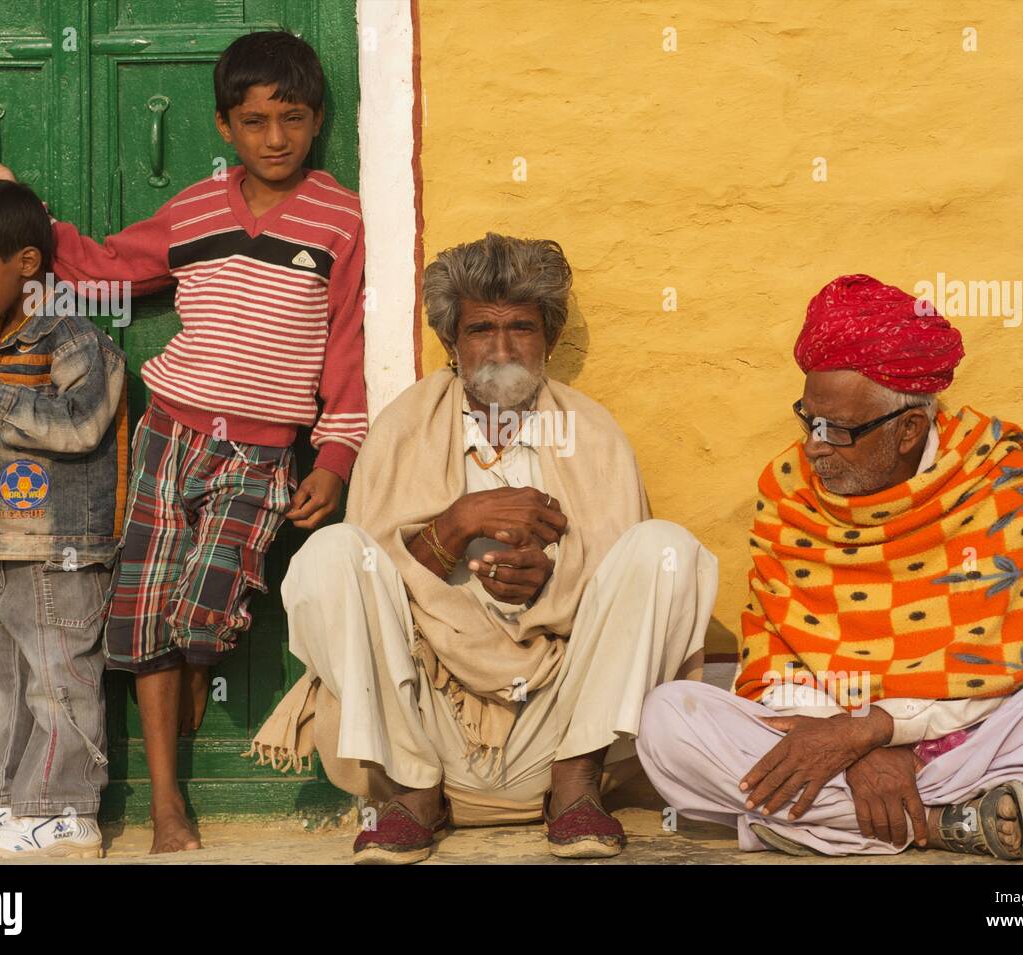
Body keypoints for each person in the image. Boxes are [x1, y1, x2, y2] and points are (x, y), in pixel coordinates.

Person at [0, 30, 368, 853]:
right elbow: (106, 264)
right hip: (168, 431)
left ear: (318, 121)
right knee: (143, 615)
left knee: (205, 616)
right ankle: (168, 808)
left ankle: (189, 666)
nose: (276, 138)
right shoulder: (196, 208)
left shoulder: (340, 219)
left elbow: (348, 341)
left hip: (259, 453)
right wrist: (19, 203)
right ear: (225, 128)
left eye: (293, 119)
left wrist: (335, 454)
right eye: (255, 121)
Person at [636, 273, 1023, 859]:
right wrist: (846, 743)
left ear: (909, 428)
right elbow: (781, 656)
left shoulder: (990, 474)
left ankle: (815, 824)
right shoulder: (788, 488)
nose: (814, 445)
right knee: (667, 720)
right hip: (831, 733)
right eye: (807, 420)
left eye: (838, 430)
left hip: (974, 732)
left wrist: (883, 733)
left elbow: (1021, 662)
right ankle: (951, 823)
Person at [250, 233, 719, 863]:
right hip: (424, 718)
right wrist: (456, 524)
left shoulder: (593, 432)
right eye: (480, 331)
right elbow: (373, 588)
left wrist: (550, 584)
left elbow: (618, 590)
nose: (501, 350)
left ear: (549, 338)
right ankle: (412, 794)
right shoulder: (404, 429)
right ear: (451, 342)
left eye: (521, 328)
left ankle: (577, 788)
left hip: (562, 717)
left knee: (667, 549)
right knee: (328, 555)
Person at [0, 180, 127, 860]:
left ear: (28, 264)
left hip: (61, 546)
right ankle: (6, 799)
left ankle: (67, 810)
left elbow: (83, 426)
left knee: (60, 676)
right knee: (7, 680)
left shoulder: (74, 339)